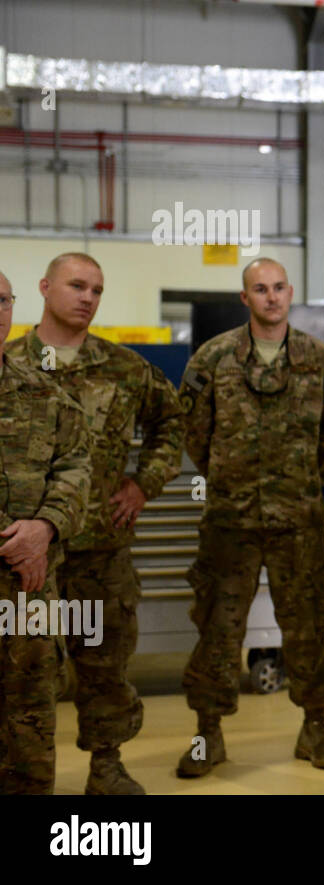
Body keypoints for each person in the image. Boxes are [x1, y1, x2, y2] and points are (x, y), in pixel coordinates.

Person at [4, 252, 183, 795]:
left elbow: (172, 423)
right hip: (27, 562)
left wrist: (142, 483)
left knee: (105, 666)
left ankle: (106, 765)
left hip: (98, 551)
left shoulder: (124, 368)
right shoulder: (14, 363)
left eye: (97, 290)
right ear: (44, 288)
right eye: (77, 285)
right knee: (25, 679)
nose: (87, 297)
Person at [176, 257, 324, 778]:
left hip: (297, 519)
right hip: (231, 521)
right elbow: (194, 433)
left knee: (308, 625)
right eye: (260, 289)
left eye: (278, 288)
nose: (271, 297)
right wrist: (232, 480)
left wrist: (296, 483)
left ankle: (315, 726)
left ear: (289, 292)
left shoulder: (318, 361)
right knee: (217, 629)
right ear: (244, 297)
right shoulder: (213, 358)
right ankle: (208, 733)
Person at [0, 269, 92, 794]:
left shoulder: (45, 395)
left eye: (2, 301)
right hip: (21, 570)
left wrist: (46, 528)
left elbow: (78, 468)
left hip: (29, 601)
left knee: (29, 732)